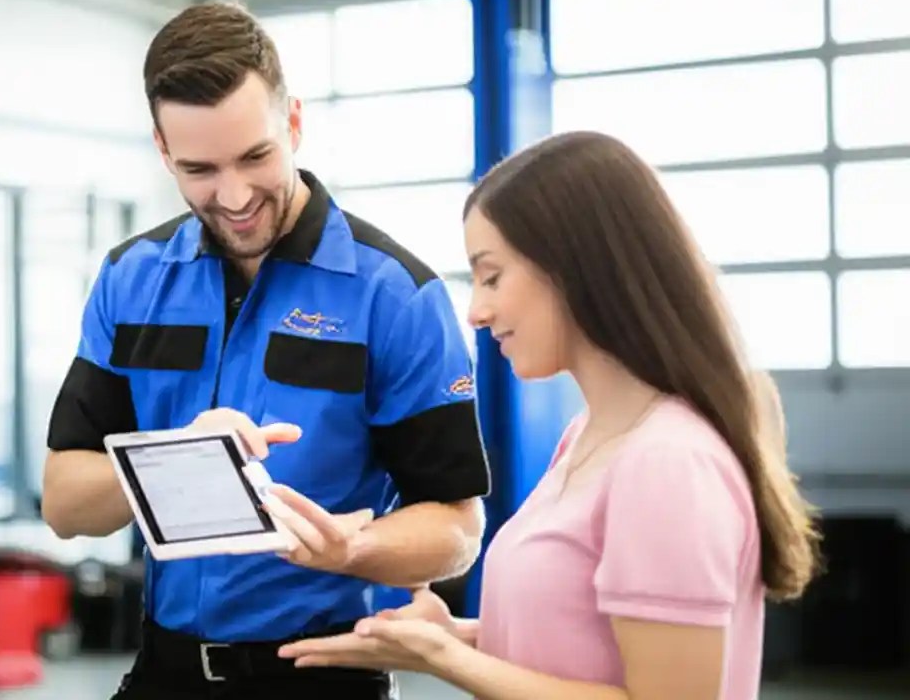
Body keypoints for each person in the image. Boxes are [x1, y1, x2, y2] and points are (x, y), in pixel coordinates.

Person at [41, 0, 492, 700]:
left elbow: (459, 528)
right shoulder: (130, 280)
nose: (235, 195)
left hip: (321, 677)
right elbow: (66, 505)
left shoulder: (394, 296)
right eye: (199, 169)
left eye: (256, 156)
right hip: (166, 671)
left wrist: (354, 550)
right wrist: (179, 459)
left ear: (295, 123)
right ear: (162, 151)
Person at [279, 130, 823, 700]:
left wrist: (444, 659)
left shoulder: (667, 462)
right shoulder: (587, 437)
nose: (478, 311)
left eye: (492, 276)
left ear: (576, 268)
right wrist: (455, 637)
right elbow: (582, 643)